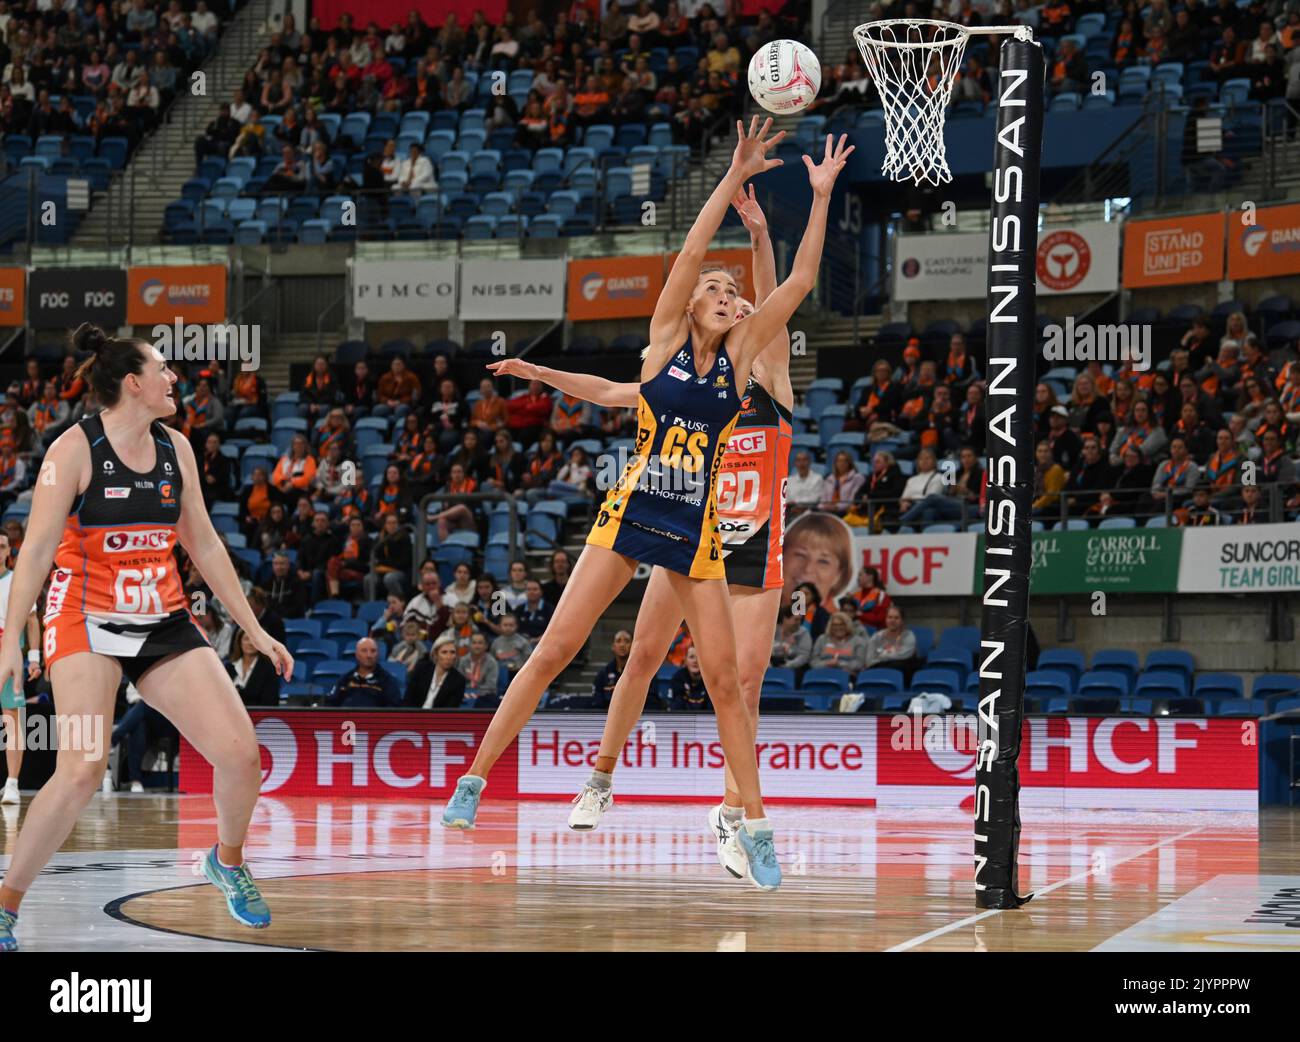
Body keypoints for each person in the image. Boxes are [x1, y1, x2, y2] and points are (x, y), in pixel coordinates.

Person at [441, 123, 851, 893]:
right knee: (556, 649)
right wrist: (729, 179)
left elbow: (794, 286)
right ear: (692, 303)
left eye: (734, 293)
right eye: (719, 292)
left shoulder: (743, 362)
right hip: (629, 514)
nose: (729, 297)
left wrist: (819, 198)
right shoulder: (664, 341)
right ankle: (474, 780)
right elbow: (690, 257)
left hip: (695, 532)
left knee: (728, 681)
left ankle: (752, 824)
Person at [0, 324, 294, 952]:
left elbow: (205, 544)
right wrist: (8, 642)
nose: (174, 379)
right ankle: (5, 906)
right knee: (80, 769)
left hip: (161, 619)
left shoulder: (177, 448)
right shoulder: (70, 452)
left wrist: (253, 628)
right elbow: (34, 554)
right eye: (163, 369)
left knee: (241, 755)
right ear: (133, 383)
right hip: (82, 617)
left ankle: (228, 861)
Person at [0, 529, 42, 807]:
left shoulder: (17, 581)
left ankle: (12, 783)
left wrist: (35, 657)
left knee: (13, 721)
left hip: (9, 650)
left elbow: (31, 619)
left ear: (8, 551)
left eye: (2, 546)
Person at [322, 637, 400, 708]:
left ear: (378, 654)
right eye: (364, 651)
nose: (369, 655)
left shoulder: (387, 680)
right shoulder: (345, 679)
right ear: (357, 655)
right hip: (346, 722)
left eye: (373, 651)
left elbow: (393, 708)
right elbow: (330, 703)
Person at [404, 636, 466, 708]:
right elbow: (408, 699)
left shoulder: (459, 680)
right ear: (436, 655)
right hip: (414, 716)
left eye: (452, 652)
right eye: (444, 652)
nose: (449, 657)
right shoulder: (421, 669)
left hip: (439, 718)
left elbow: (450, 710)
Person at [226, 629, 280, 707]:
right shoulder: (229, 667)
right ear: (239, 642)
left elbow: (270, 702)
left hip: (257, 716)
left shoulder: (269, 669)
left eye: (254, 640)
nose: (250, 643)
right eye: (246, 639)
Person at [863, 604, 919, 678]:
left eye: (896, 618)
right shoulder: (877, 637)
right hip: (878, 670)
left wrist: (882, 656)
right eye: (890, 617)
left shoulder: (908, 636)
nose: (892, 621)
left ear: (902, 621)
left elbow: (903, 655)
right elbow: (869, 660)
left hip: (900, 671)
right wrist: (890, 655)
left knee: (902, 665)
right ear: (886, 619)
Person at [591, 630, 632, 709]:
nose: (622, 645)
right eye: (618, 641)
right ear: (613, 646)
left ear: (632, 646)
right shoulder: (603, 674)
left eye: (626, 641)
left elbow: (651, 702)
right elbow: (596, 701)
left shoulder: (642, 673)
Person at [458, 632, 499, 701]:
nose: (477, 646)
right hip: (464, 695)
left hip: (484, 697)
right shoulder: (463, 661)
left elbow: (490, 687)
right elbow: (459, 683)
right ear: (469, 645)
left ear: (486, 645)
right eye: (474, 643)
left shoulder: (492, 662)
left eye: (480, 643)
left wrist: (474, 694)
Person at [770, 606, 811, 671]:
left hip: (793, 668)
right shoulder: (773, 630)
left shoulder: (803, 633)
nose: (799, 622)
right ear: (785, 619)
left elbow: (803, 656)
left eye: (800, 620)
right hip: (771, 665)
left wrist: (787, 665)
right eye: (796, 619)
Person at [670, 646, 711, 711]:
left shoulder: (710, 679)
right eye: (691, 657)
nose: (695, 661)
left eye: (699, 657)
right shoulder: (678, 678)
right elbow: (676, 708)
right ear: (685, 660)